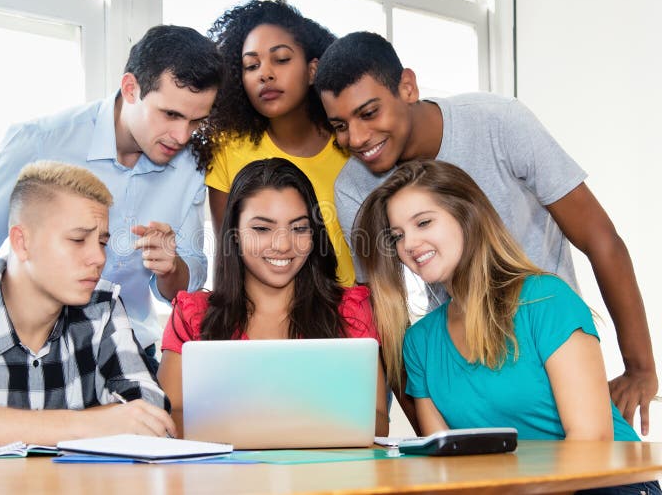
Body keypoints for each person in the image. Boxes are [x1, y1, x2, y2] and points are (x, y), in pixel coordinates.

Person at [0, 24, 223, 439]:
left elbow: (190, 278)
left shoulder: (190, 168)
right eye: (171, 115)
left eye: (196, 122)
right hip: (10, 353)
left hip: (122, 347)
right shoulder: (39, 141)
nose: (182, 137)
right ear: (130, 88)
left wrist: (171, 268)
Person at [314, 31, 657, 434]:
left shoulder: (498, 122)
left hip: (548, 339)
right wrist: (435, 434)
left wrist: (641, 367)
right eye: (340, 125)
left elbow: (599, 237)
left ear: (407, 87)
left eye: (369, 113)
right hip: (465, 359)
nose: (356, 138)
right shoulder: (355, 186)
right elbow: (382, 309)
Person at [355, 159, 660, 495]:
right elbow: (446, 463)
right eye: (398, 236)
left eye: (424, 222)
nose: (409, 244)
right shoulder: (419, 343)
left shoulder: (545, 298)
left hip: (606, 485)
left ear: (467, 217)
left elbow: (591, 442)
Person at [0, 161, 175, 448]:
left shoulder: (102, 307)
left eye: (102, 242)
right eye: (78, 239)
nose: (99, 258)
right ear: (22, 242)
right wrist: (92, 423)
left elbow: (150, 416)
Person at [156, 158, 389, 436]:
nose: (282, 245)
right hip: (222, 476)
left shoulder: (351, 310)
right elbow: (170, 418)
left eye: (299, 228)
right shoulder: (193, 315)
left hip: (327, 475)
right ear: (235, 235)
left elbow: (377, 422)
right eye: (262, 229)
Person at [200, 0, 356, 286]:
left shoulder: (351, 143)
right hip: (263, 323)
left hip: (351, 318)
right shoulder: (228, 150)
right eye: (251, 66)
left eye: (281, 59)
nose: (265, 74)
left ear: (313, 70)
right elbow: (229, 258)